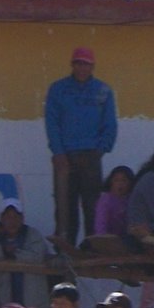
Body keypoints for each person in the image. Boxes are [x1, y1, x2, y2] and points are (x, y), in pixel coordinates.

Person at [44, 46, 117, 244]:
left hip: (91, 155)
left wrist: (100, 150)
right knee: (65, 207)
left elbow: (110, 124)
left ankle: (91, 250)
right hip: (64, 156)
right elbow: (52, 122)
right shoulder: (58, 89)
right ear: (72, 65)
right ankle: (64, 252)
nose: (82, 68)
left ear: (93, 67)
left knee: (92, 206)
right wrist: (58, 152)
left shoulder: (103, 90)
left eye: (86, 64)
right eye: (78, 63)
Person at [0, 197, 48, 308]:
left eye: (16, 217)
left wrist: (15, 253)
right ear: (1, 219)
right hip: (7, 306)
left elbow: (37, 256)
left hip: (34, 306)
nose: (12, 221)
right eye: (8, 217)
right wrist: (3, 251)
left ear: (22, 218)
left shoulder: (33, 235)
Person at [91, 165, 133, 239]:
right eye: (116, 180)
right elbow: (101, 224)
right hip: (107, 240)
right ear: (111, 182)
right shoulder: (105, 200)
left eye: (124, 180)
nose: (120, 184)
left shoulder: (132, 199)